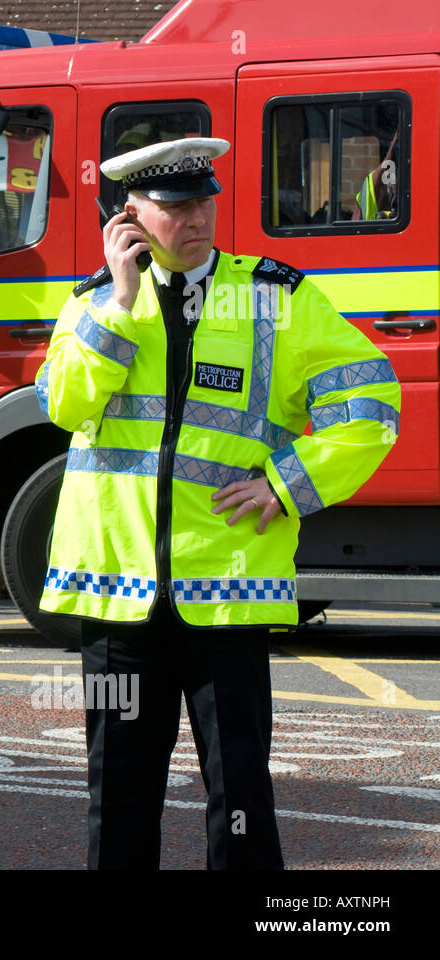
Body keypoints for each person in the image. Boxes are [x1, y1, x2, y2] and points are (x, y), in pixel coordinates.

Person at [37, 137, 401, 869]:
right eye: (173, 206)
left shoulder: (276, 296)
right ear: (129, 217)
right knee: (118, 790)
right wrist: (118, 300)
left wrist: (288, 484)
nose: (195, 217)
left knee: (238, 793)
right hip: (117, 593)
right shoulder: (92, 304)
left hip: (228, 590)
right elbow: (64, 403)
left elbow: (372, 402)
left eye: (203, 200)